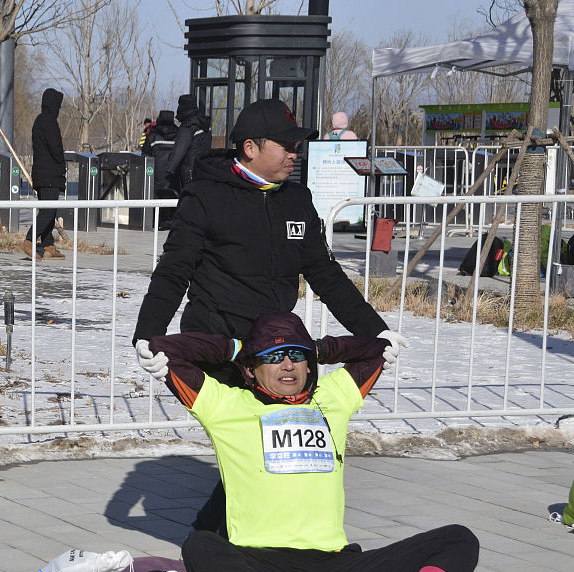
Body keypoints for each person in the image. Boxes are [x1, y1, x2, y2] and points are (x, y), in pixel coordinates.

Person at [132, 98, 407, 532]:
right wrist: (148, 334)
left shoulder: (296, 199)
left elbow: (325, 273)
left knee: (262, 451)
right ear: (250, 148)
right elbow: (174, 270)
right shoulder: (206, 195)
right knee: (249, 447)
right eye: (285, 145)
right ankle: (225, 543)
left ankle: (227, 540)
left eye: (297, 144)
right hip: (219, 343)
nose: (295, 153)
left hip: (276, 349)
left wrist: (376, 329)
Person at [149, 311, 479, 572]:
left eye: (298, 356)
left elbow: (376, 350)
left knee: (458, 539)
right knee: (200, 546)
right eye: (273, 358)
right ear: (250, 369)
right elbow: (166, 349)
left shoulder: (333, 397)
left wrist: (319, 348)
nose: (288, 366)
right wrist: (240, 348)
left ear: (310, 365)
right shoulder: (224, 405)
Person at [21, 88, 66, 261]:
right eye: (58, 105)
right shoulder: (49, 122)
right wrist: (62, 166)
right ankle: (29, 240)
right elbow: (56, 148)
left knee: (49, 210)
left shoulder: (39, 120)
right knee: (48, 211)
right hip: (50, 174)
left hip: (41, 173)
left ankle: (48, 245)